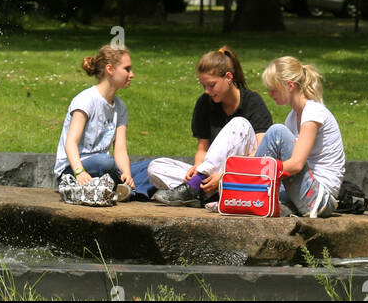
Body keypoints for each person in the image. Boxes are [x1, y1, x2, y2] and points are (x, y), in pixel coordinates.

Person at [148, 45, 272, 207]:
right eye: (203, 86)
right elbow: (202, 149)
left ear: (228, 77)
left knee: (239, 124)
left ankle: (196, 189)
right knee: (156, 167)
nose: (207, 91)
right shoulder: (204, 103)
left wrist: (224, 175)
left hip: (241, 174)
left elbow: (261, 153)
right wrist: (198, 166)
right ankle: (204, 191)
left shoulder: (252, 102)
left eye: (211, 85)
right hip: (211, 173)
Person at [256, 56, 344, 218]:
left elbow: (296, 164)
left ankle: (249, 187)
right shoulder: (292, 117)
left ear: (290, 85)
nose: (269, 94)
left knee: (276, 132)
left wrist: (261, 172)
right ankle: (247, 195)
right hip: (303, 190)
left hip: (320, 198)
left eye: (273, 89)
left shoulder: (313, 111)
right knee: (264, 203)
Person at [55, 44, 135, 193]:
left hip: (103, 167)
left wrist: (127, 174)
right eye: (127, 69)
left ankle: (123, 187)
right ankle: (121, 190)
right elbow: (70, 143)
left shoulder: (120, 106)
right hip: (73, 169)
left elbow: (120, 149)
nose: (132, 74)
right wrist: (79, 172)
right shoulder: (86, 100)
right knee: (105, 162)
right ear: (110, 69)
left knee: (147, 167)